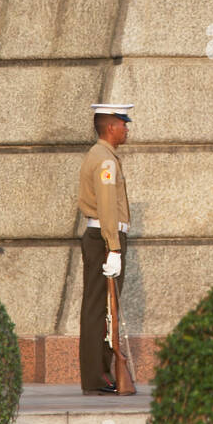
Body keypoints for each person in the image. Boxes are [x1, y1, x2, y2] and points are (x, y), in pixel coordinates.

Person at [76, 103, 133, 396]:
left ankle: (99, 375)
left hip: (102, 236)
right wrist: (113, 247)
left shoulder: (103, 156)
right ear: (111, 126)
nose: (127, 128)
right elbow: (108, 207)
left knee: (99, 307)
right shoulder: (105, 161)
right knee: (100, 309)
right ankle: (97, 377)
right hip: (103, 238)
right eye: (124, 122)